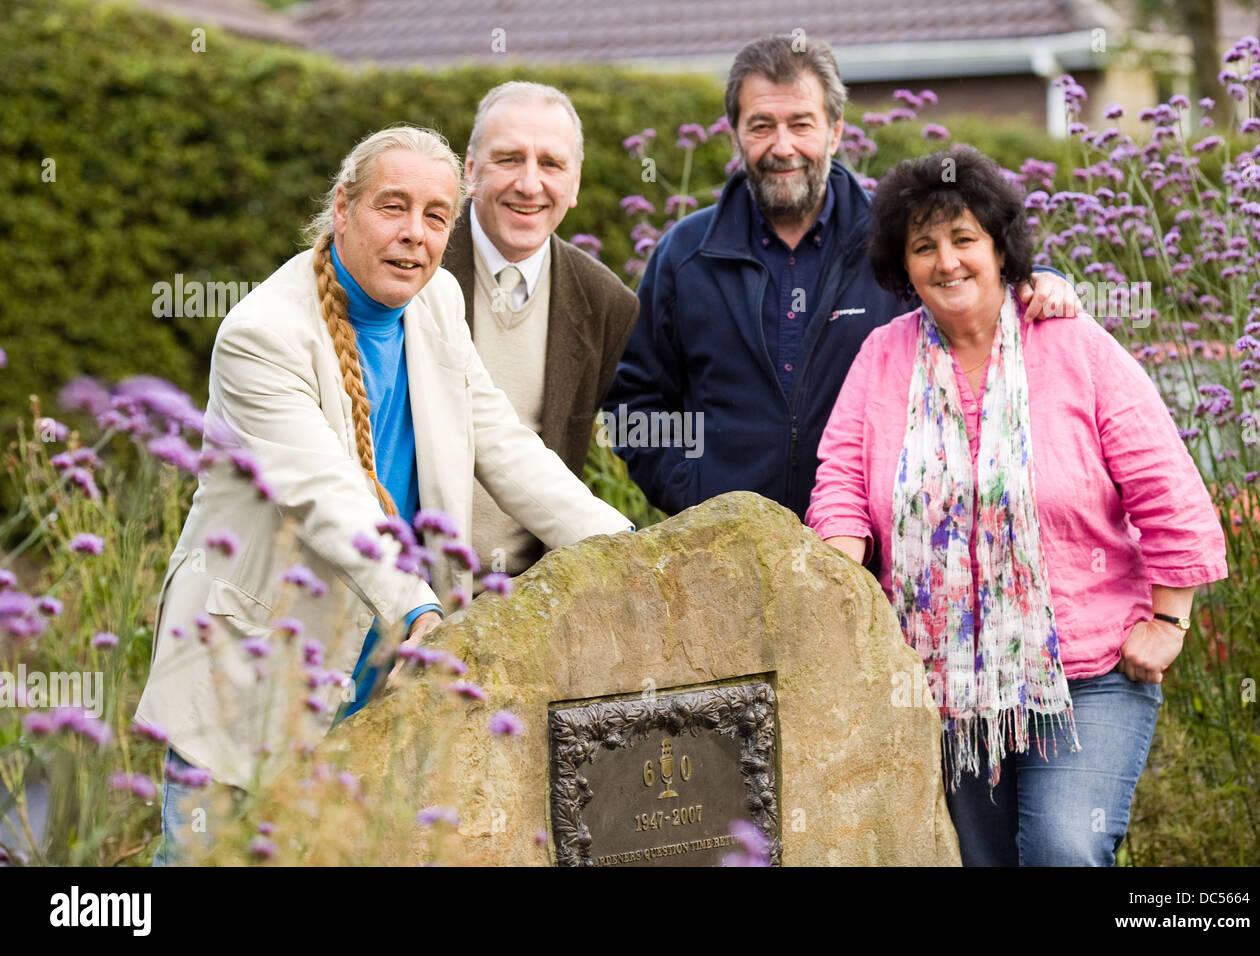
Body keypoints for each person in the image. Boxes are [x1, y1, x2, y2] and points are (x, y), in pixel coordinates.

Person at [136, 126, 631, 863]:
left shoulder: (437, 304)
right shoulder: (262, 335)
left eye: (436, 216)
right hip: (255, 676)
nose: (414, 235)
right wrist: (419, 608)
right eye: (391, 207)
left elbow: (506, 446)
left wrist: (630, 551)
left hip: (380, 675)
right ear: (343, 210)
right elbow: (329, 496)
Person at [805, 145, 1227, 866]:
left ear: (1001, 248)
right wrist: (840, 570)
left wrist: (1169, 618)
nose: (947, 262)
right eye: (924, 247)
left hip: (1087, 673)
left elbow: (1166, 487)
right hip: (941, 682)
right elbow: (841, 482)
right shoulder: (882, 356)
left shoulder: (1072, 345)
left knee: (1064, 846)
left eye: (964, 239)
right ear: (901, 267)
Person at [606, 33, 1078, 521]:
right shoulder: (685, 255)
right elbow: (634, 400)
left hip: (873, 557)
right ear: (735, 135)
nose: (782, 146)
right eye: (761, 125)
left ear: (834, 131)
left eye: (801, 124)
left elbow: (968, 291)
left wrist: (1036, 277)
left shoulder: (898, 242)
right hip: (722, 555)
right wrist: (689, 488)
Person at [425, 82, 638, 580]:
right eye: (508, 159)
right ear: (471, 171)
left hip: (532, 600)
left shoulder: (606, 303)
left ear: (576, 182)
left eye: (551, 164)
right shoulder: (417, 269)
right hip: (415, 590)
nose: (529, 183)